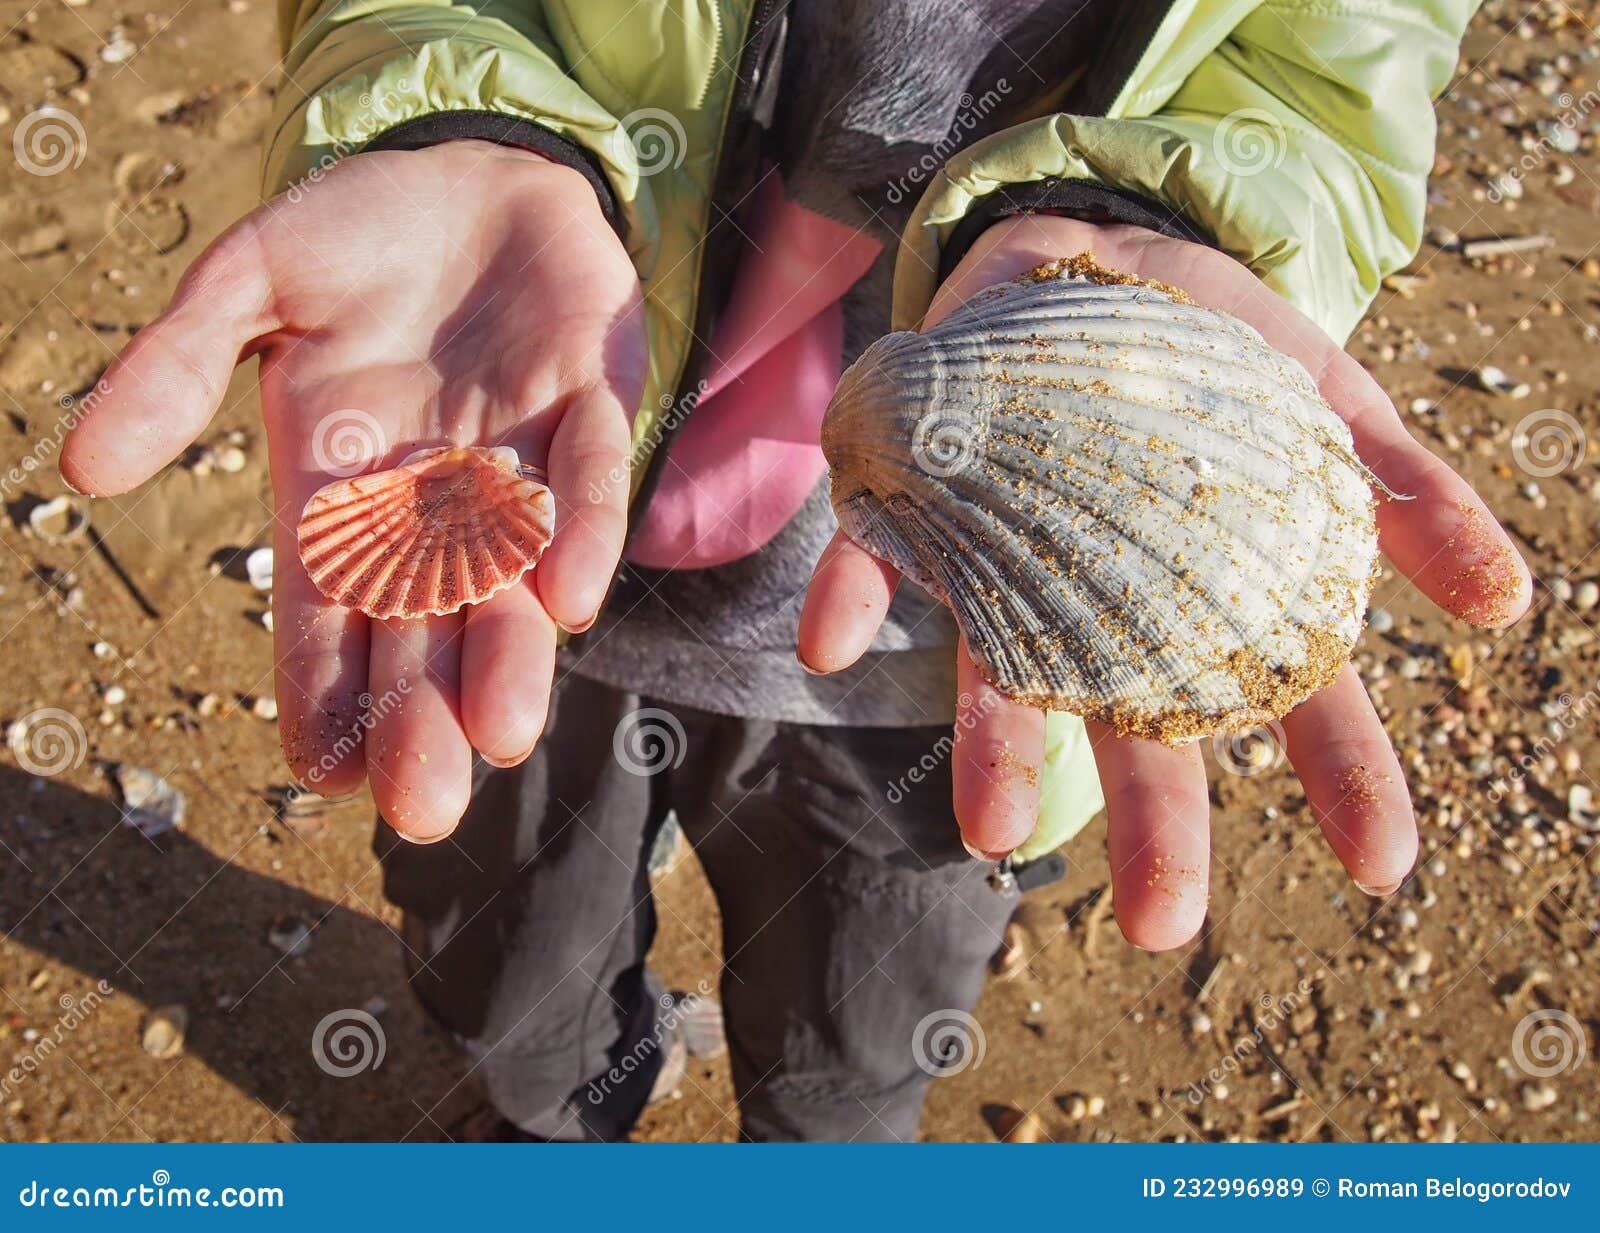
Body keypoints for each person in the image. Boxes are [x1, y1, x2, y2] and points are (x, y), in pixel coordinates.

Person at [62, 0, 1527, 1141]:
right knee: (509, 971)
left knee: (852, 1042)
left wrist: (1164, 226)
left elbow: (1338, 68)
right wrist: (465, 110)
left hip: (941, 650)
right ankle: (549, 1114)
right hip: (542, 523)